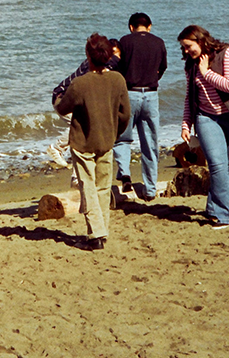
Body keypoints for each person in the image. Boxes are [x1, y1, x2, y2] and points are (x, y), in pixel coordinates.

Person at [54, 34, 130, 251]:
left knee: (88, 186)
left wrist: (58, 97)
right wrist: (115, 132)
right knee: (103, 187)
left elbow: (62, 107)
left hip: (83, 142)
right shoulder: (118, 80)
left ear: (88, 55)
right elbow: (125, 114)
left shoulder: (80, 84)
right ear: (109, 55)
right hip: (107, 140)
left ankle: (96, 233)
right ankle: (100, 231)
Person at [178, 25, 229, 230]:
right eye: (183, 48)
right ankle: (228, 216)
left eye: (188, 46)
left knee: (226, 167)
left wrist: (206, 73)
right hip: (207, 118)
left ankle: (214, 209)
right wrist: (186, 124)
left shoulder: (227, 53)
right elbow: (189, 98)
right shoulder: (191, 66)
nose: (186, 52)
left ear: (200, 40)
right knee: (217, 166)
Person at [113, 13, 168, 200]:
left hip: (130, 92)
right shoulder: (159, 42)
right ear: (149, 26)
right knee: (150, 143)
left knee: (122, 137)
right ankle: (151, 189)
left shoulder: (125, 42)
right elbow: (163, 67)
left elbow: (118, 68)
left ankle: (125, 173)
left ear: (131, 27)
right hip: (151, 94)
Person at [49, 38, 120, 169]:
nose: (115, 57)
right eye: (113, 53)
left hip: (75, 99)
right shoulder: (93, 64)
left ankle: (76, 177)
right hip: (62, 97)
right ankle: (57, 148)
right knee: (79, 127)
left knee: (86, 134)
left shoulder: (102, 68)